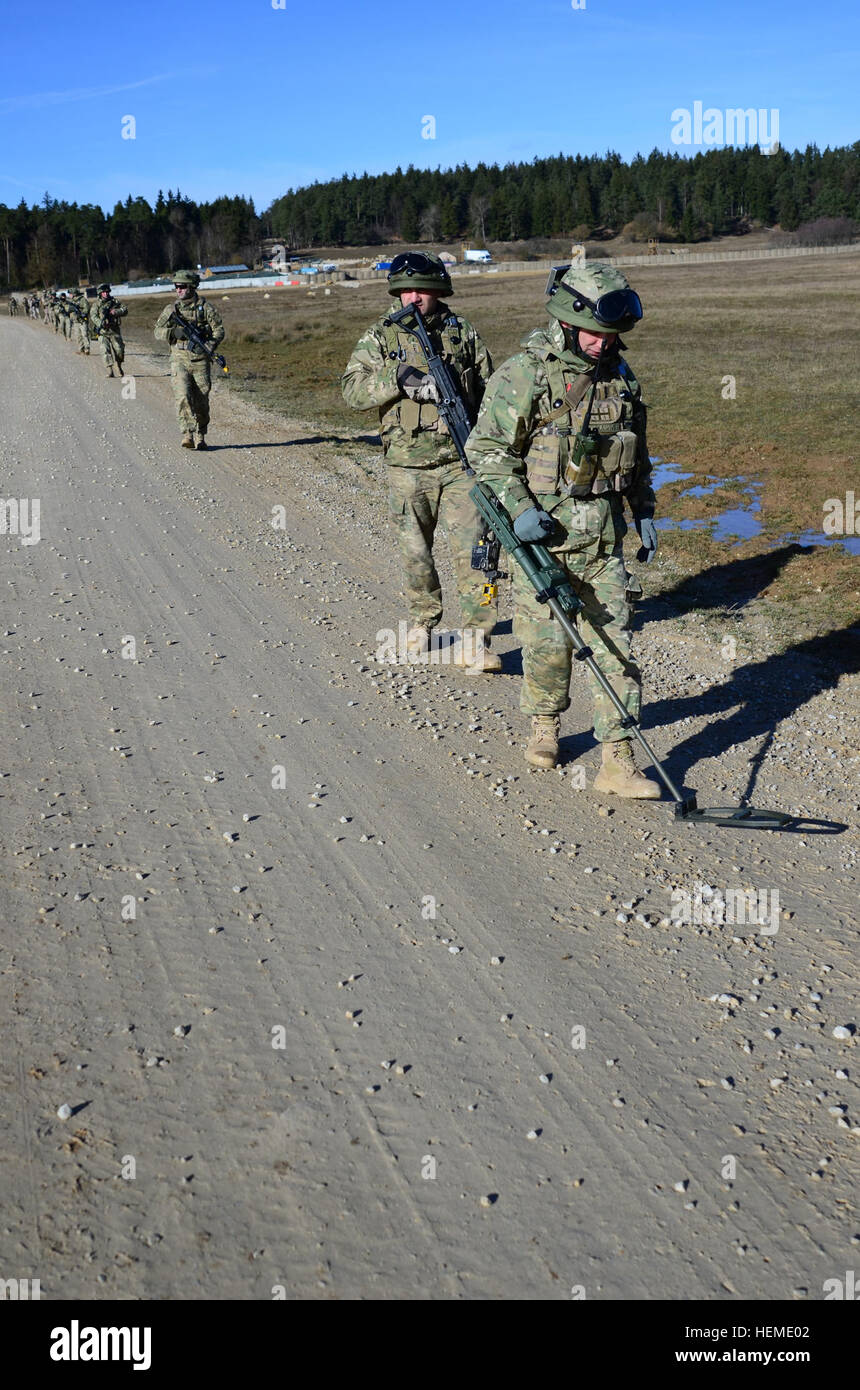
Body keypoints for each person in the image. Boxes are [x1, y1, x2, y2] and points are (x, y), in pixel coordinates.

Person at [466, 262, 661, 797]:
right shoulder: (525, 373)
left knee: (615, 644)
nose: (605, 344)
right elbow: (486, 452)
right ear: (568, 318)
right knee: (547, 643)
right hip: (541, 542)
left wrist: (643, 510)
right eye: (597, 333)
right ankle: (545, 727)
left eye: (613, 335)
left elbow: (636, 455)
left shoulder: (622, 377)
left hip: (603, 542)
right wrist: (520, 508)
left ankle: (618, 759)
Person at [341, 250, 500, 671]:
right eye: (406, 290)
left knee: (477, 554)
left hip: (460, 465)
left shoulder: (461, 332)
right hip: (406, 467)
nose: (414, 297)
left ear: (438, 290)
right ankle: (422, 622)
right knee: (416, 555)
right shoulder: (381, 337)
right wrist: (395, 378)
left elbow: (492, 394)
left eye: (422, 290)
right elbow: (352, 391)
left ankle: (476, 639)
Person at [154, 269, 224, 449]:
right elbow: (157, 331)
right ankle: (187, 434)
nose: (178, 290)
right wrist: (173, 332)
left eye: (182, 286)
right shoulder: (171, 310)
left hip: (200, 361)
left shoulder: (205, 309)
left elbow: (219, 331)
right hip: (179, 359)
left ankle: (201, 435)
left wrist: (210, 345)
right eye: (176, 286)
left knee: (201, 401)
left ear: (192, 287)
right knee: (182, 396)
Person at [90, 283, 127, 377]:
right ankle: (110, 370)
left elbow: (125, 309)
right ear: (100, 293)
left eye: (107, 292)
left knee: (119, 350)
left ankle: (118, 366)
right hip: (103, 332)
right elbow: (93, 316)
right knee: (105, 351)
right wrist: (100, 323)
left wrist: (115, 312)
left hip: (114, 330)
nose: (105, 294)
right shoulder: (96, 304)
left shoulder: (114, 302)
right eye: (103, 292)